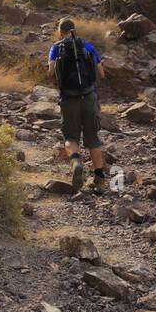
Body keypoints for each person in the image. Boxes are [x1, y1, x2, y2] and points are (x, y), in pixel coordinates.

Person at [48, 19, 107, 194]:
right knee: (92, 138)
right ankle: (99, 179)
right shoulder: (87, 46)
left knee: (71, 137)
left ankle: (76, 163)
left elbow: (51, 72)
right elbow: (101, 73)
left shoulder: (56, 48)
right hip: (89, 97)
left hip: (68, 98)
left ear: (60, 32)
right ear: (74, 30)